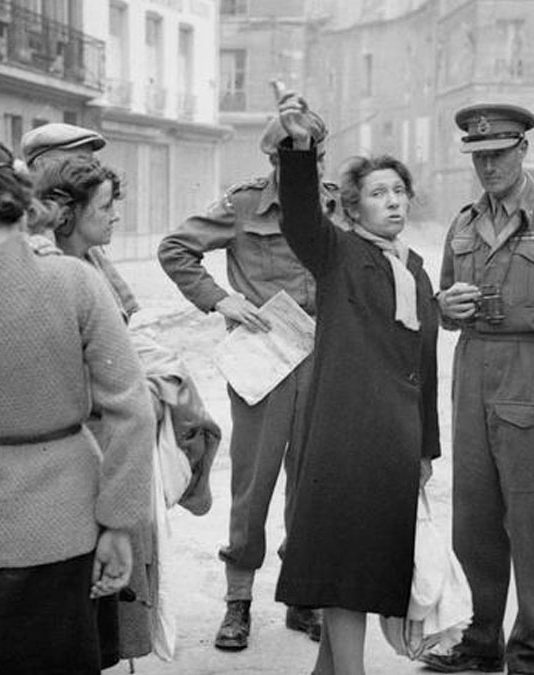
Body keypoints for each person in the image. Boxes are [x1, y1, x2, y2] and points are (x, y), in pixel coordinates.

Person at [0, 134, 154, 675]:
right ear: (13, 188)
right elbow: (132, 408)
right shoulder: (73, 281)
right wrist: (119, 523)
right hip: (62, 524)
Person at [25, 127, 223, 665]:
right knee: (82, 597)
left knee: (113, 600)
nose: (110, 205)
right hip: (81, 453)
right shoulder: (34, 268)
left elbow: (126, 327)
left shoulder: (92, 263)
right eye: (81, 170)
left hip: (114, 449)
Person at [272, 87, 440, 675]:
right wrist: (299, 148)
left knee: (366, 570)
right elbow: (297, 214)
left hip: (394, 445)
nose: (392, 202)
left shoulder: (414, 270)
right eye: (377, 193)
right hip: (344, 440)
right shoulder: (337, 253)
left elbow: (425, 363)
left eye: (399, 191)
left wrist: (426, 449)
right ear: (353, 208)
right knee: (347, 571)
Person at [157, 114, 338, 650]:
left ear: (322, 159)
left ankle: (302, 598)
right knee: (253, 484)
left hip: (322, 357)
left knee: (311, 483)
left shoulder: (336, 204)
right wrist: (221, 300)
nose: (303, 167)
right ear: (272, 160)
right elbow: (175, 249)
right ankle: (238, 601)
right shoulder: (242, 205)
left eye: (312, 157)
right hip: (263, 358)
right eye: (289, 158)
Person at [422, 103, 534, 675]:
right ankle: (479, 642)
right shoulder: (462, 224)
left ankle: (531, 650)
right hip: (473, 370)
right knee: (475, 515)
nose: (487, 167)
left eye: (496, 155)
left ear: (523, 151)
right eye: (477, 157)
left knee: (532, 519)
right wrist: (445, 306)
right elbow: (441, 305)